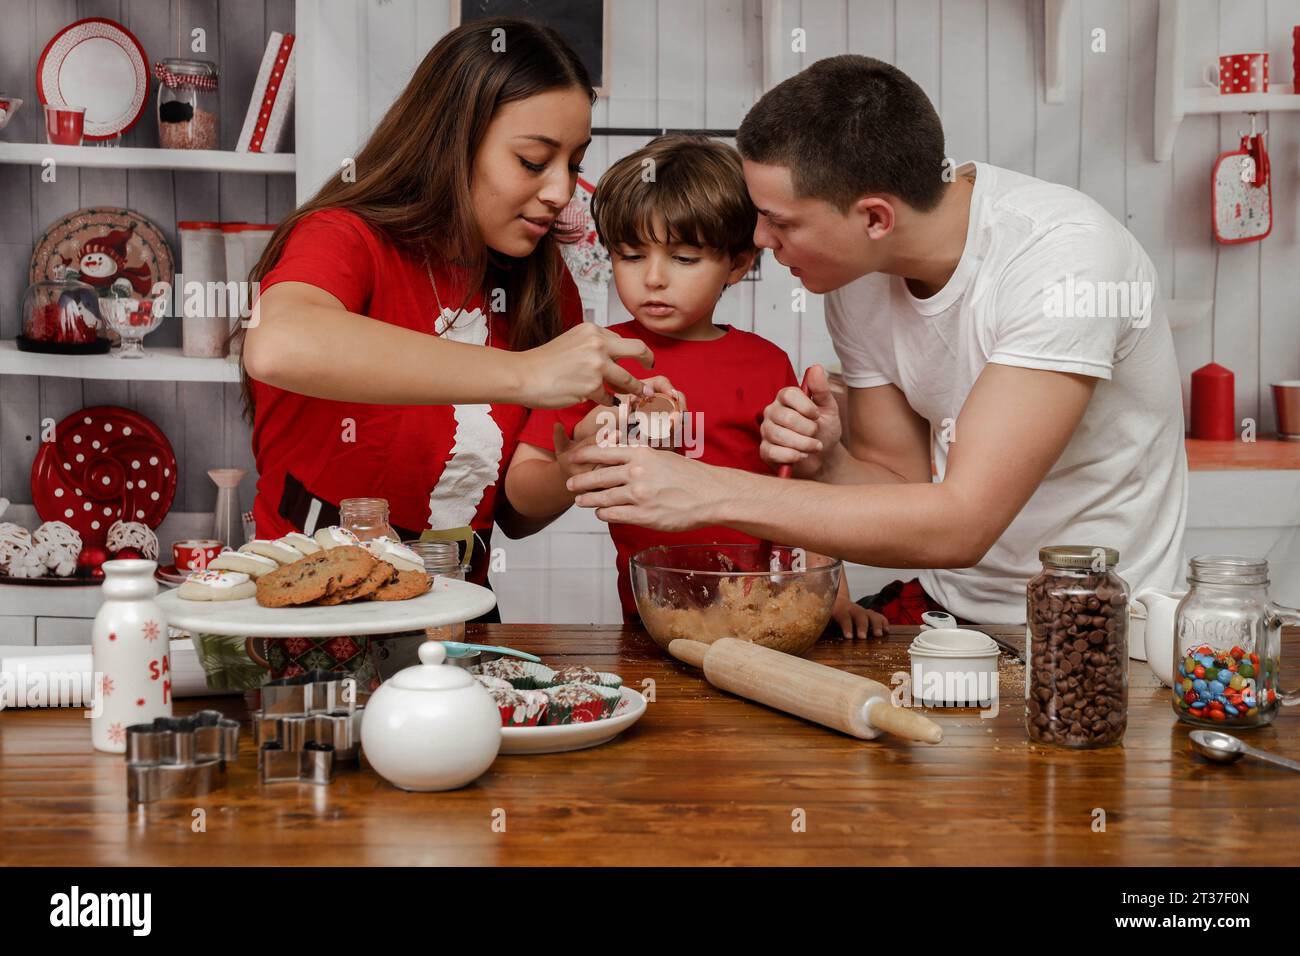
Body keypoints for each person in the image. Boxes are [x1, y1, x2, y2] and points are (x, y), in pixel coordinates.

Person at [562, 55, 1188, 626]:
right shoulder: (858, 277)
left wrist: (707, 492)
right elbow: (902, 488)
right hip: (946, 609)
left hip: (1096, 625)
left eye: (779, 221)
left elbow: (960, 524)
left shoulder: (1066, 261)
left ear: (874, 218)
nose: (756, 239)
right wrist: (825, 459)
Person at [236, 18, 674, 613]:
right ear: (452, 140)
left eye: (572, 164)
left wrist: (575, 462)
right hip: (312, 606)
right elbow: (278, 344)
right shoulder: (342, 238)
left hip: (460, 608)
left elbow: (514, 515)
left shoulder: (543, 287)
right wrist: (524, 373)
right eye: (533, 160)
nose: (560, 192)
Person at [504, 135, 883, 637]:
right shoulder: (594, 357)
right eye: (632, 255)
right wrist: (573, 465)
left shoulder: (764, 364)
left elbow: (806, 491)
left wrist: (833, 593)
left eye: (684, 259)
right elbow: (521, 499)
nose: (654, 279)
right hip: (653, 618)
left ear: (739, 262)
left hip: (764, 612)